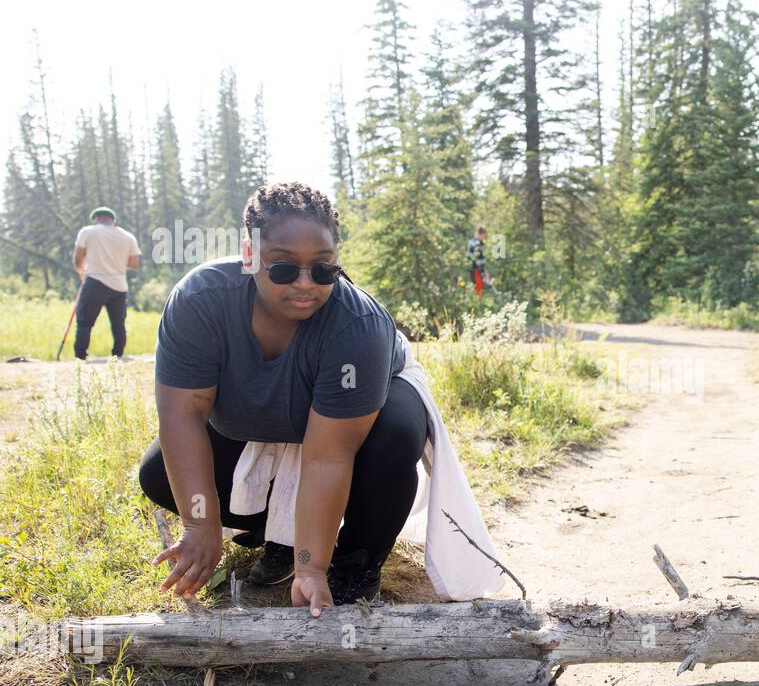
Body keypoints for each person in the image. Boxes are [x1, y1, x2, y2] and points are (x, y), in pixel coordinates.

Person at [137, 182, 502, 616]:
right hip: (265, 418)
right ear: (249, 254)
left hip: (362, 410)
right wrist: (200, 522)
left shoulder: (357, 325)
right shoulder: (200, 301)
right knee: (160, 473)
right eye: (285, 269)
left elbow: (327, 457)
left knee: (393, 438)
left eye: (323, 269)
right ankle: (274, 539)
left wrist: (312, 568)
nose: (306, 285)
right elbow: (183, 415)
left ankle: (354, 561)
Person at [72, 206, 141, 359]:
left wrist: (81, 272)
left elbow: (78, 257)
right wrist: (117, 263)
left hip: (95, 281)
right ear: (113, 220)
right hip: (119, 285)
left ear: (97, 218)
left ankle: (80, 356)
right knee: (118, 324)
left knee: (84, 322)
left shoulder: (88, 231)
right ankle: (117, 355)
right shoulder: (127, 236)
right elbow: (135, 263)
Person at [466, 226, 493, 296]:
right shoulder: (476, 244)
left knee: (473, 289)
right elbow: (478, 259)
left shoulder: (471, 242)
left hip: (471, 270)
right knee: (478, 291)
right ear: (480, 234)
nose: (484, 238)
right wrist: (483, 273)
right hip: (476, 270)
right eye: (484, 236)